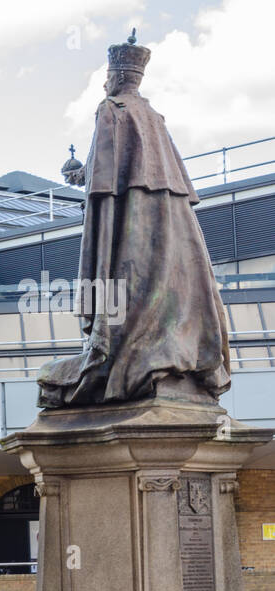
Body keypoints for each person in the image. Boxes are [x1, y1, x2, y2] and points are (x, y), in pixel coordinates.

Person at [37, 30, 230, 408]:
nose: (106, 82)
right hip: (161, 221)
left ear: (115, 77)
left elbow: (104, 179)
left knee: (124, 279)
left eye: (108, 76)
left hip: (126, 223)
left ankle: (122, 355)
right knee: (154, 282)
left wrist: (78, 174)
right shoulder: (155, 117)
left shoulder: (111, 109)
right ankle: (159, 352)